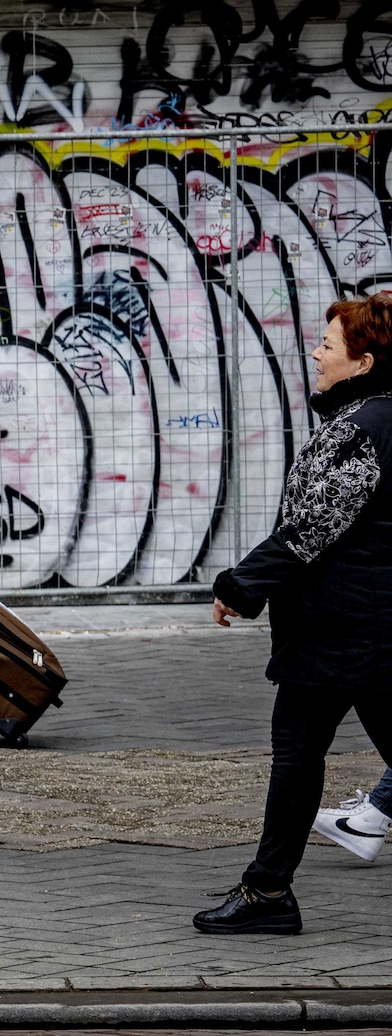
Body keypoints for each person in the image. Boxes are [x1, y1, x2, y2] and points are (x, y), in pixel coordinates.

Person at [194, 294, 392, 934]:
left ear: (363, 363)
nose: (316, 352)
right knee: (297, 754)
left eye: (329, 345)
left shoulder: (364, 429)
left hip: (352, 631)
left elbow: (314, 528)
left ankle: (268, 891)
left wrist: (242, 583)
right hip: (342, 629)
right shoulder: (370, 419)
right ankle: (268, 891)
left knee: (299, 756)